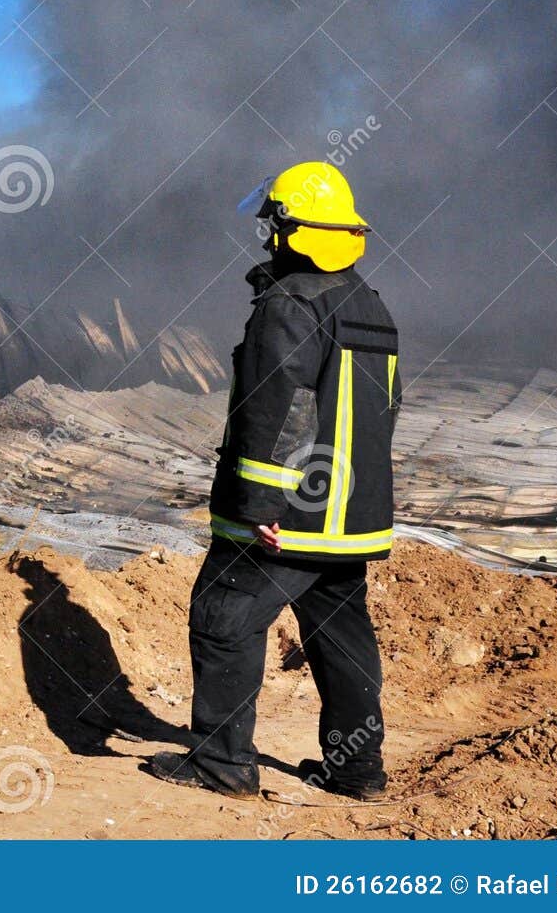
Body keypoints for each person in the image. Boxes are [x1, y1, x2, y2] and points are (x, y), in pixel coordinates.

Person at [148, 162, 399, 800]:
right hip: (349, 517)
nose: (265, 236)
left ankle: (221, 764)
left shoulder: (289, 305)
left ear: (292, 231)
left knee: (223, 616)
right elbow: (380, 412)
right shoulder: (370, 306)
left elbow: (273, 405)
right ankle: (357, 771)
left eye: (272, 224)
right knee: (340, 633)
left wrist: (258, 504)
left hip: (288, 517)